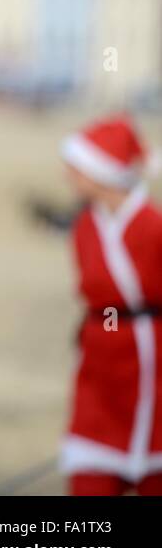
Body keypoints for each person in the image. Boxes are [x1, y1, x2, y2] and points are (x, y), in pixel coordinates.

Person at [58, 115, 162, 495]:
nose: (67, 175)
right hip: (100, 367)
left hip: (151, 366)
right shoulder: (85, 225)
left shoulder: (153, 226)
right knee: (90, 472)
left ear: (100, 172)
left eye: (75, 167)